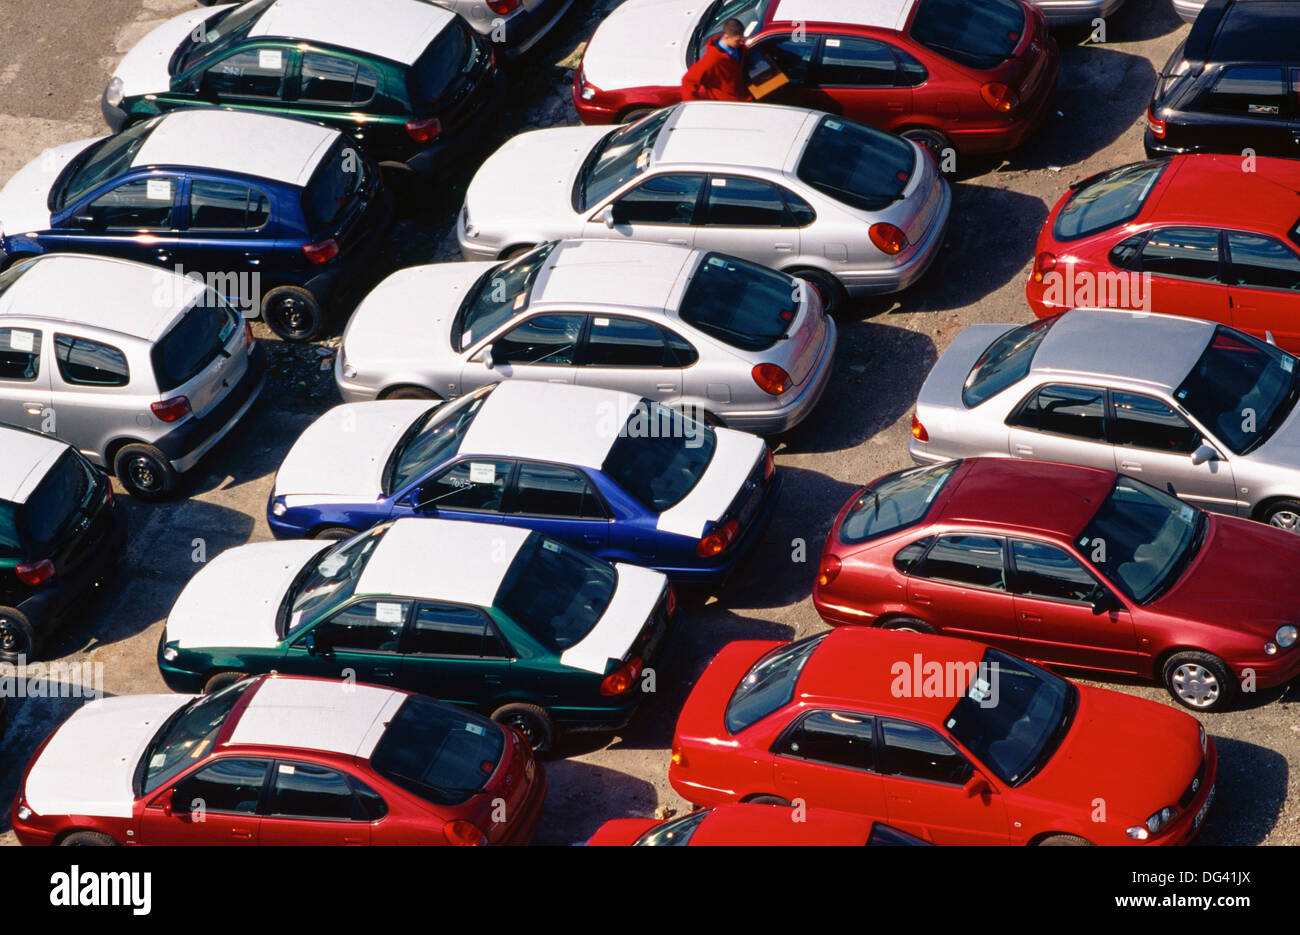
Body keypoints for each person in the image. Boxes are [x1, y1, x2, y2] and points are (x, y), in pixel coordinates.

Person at [681, 18, 751, 102]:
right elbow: (688, 80)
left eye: (741, 39)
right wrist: (693, 107)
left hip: (745, 97)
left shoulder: (738, 48)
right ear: (726, 37)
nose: (741, 42)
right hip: (730, 105)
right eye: (737, 40)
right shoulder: (711, 60)